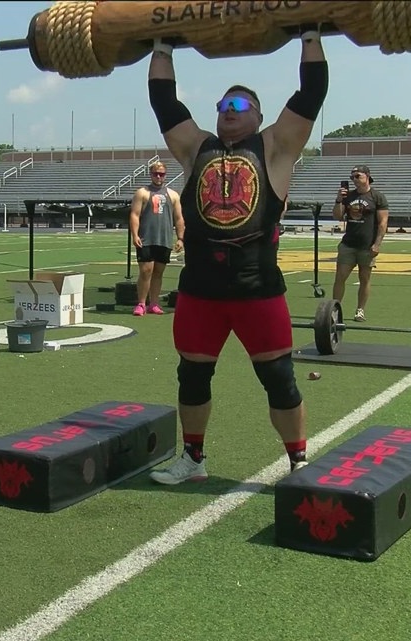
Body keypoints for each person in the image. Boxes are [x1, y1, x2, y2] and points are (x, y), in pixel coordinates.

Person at [144, 28, 328, 485]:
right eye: (225, 105)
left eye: (241, 105)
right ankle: (194, 460)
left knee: (279, 378)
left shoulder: (276, 147)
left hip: (256, 287)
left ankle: (298, 463)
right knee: (192, 376)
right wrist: (162, 46)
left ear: (260, 116)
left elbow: (312, 91)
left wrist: (310, 34)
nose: (230, 111)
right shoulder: (196, 147)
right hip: (201, 287)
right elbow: (165, 103)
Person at [332, 165, 389, 322]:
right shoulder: (348, 196)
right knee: (340, 277)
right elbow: (337, 216)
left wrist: (377, 244)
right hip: (348, 244)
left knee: (365, 279)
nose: (354, 180)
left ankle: (360, 310)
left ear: (367, 176)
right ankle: (335, 310)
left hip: (367, 246)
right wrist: (339, 199)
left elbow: (383, 222)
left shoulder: (377, 197)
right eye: (352, 177)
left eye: (357, 176)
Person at [128, 160, 184, 316]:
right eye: (155, 174)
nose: (158, 177)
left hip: (164, 238)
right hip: (146, 238)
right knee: (146, 271)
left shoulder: (173, 195)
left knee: (158, 272)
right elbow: (134, 215)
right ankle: (141, 303)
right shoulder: (142, 193)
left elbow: (179, 218)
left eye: (161, 174)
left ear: (165, 175)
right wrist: (135, 234)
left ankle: (154, 303)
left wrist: (180, 238)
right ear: (151, 174)